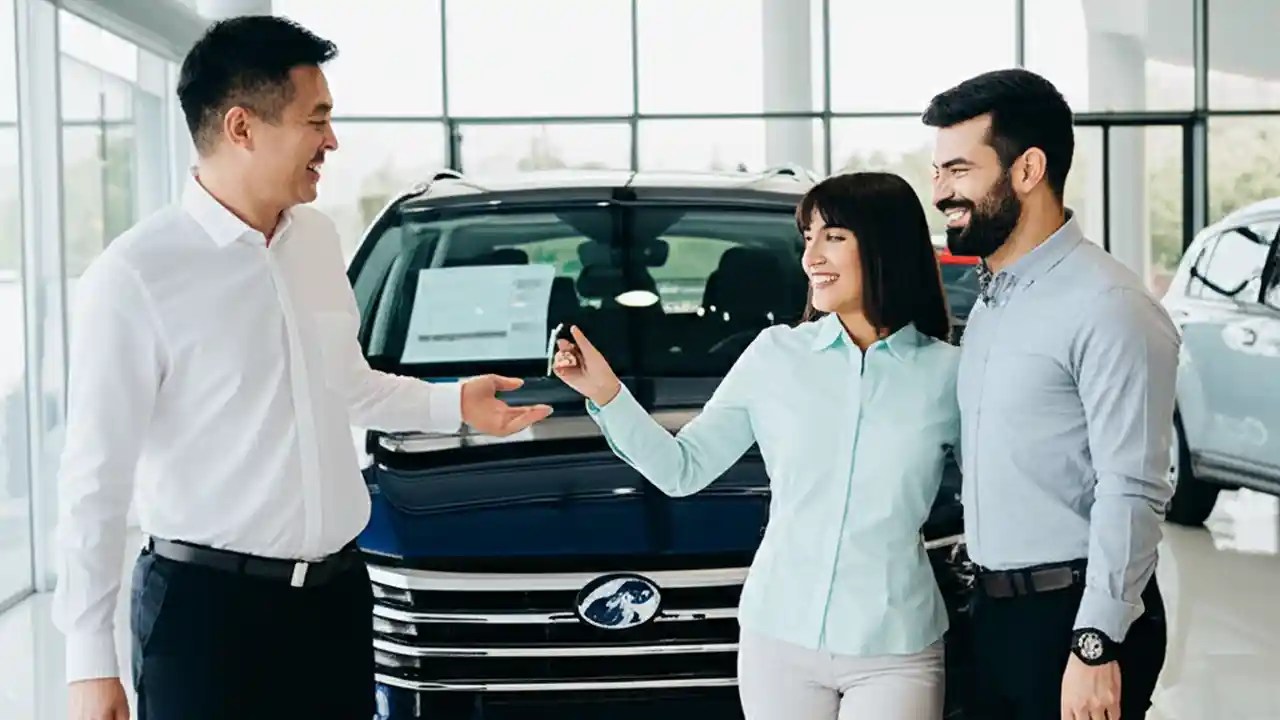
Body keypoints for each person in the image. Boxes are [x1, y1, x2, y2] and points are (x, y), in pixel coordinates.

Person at [53, 16, 551, 720]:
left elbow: (344, 385)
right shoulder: (135, 276)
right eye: (316, 120)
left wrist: (452, 405)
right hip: (207, 618)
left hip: (335, 604)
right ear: (241, 127)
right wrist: (87, 663)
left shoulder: (314, 241)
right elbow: (94, 478)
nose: (332, 141)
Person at [553, 172, 960, 719]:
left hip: (896, 646)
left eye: (833, 237)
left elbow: (997, 497)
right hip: (779, 641)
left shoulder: (949, 374)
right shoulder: (776, 355)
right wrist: (607, 393)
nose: (811, 255)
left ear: (886, 245)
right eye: (807, 238)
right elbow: (683, 470)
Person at [923, 68, 1178, 719]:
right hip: (991, 614)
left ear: (1028, 169)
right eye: (937, 173)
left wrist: (1095, 644)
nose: (941, 192)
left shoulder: (1109, 306)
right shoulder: (991, 304)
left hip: (1071, 620)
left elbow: (1134, 488)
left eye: (958, 171)